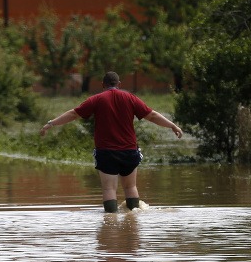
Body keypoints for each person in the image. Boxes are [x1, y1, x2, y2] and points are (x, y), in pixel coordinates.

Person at [39, 71, 183, 213]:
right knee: (130, 187)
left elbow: (73, 114)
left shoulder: (96, 99)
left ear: (103, 85)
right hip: (129, 151)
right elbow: (152, 115)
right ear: (119, 84)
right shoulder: (130, 98)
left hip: (106, 152)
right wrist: (172, 125)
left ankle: (110, 223)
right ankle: (133, 221)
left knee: (109, 189)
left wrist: (50, 123)